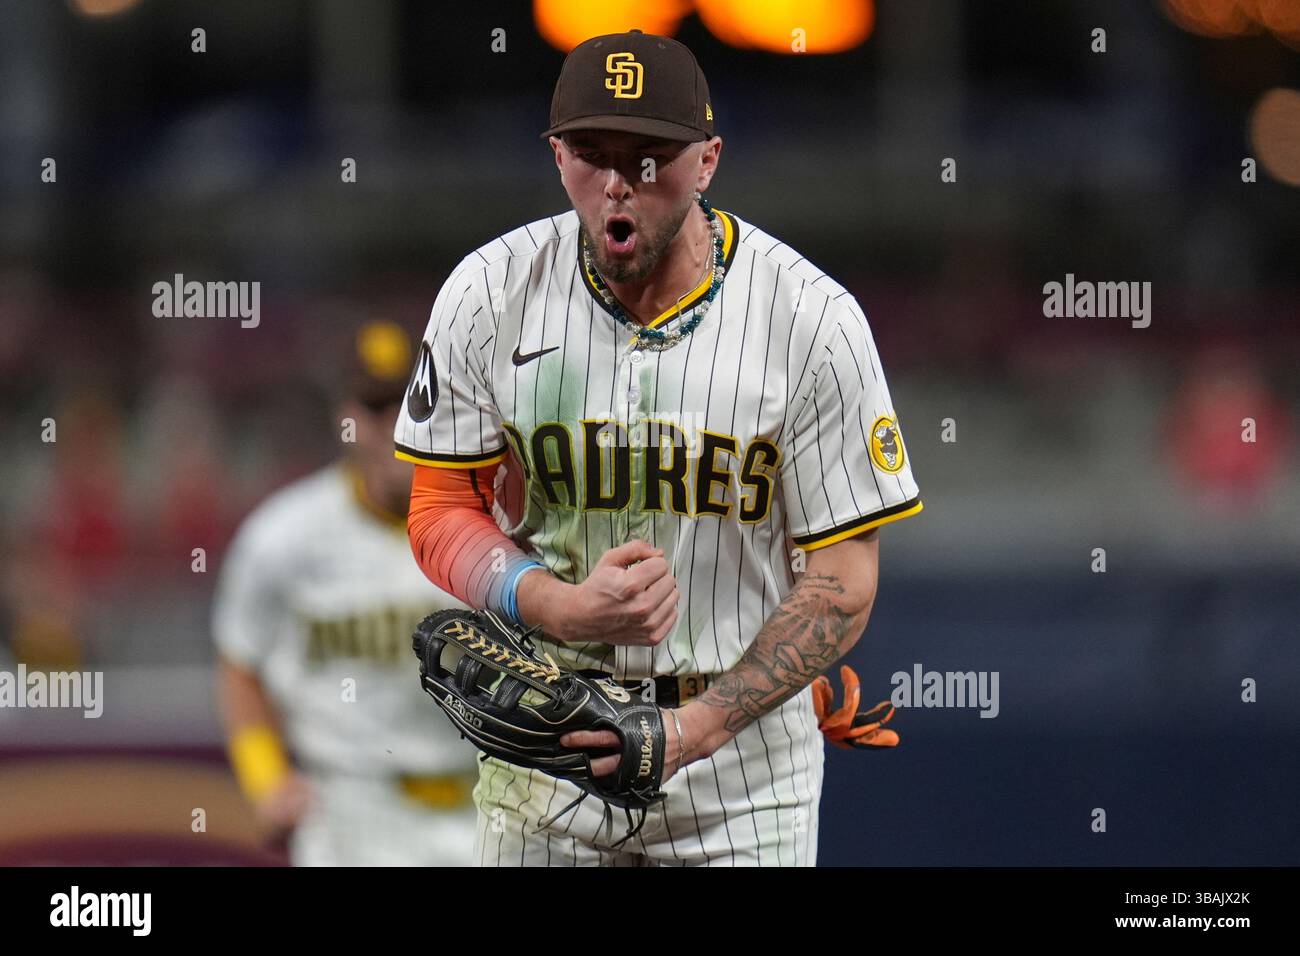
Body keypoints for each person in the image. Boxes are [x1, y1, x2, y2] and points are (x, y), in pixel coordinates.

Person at [394, 30, 922, 866]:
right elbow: (438, 508)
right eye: (590, 153)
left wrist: (695, 728)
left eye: (649, 157)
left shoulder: (811, 320)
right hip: (552, 743)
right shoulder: (487, 294)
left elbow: (845, 580)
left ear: (707, 160)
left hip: (744, 767)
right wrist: (549, 602)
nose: (617, 183)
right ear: (556, 154)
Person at [214, 321, 478, 866]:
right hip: (353, 808)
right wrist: (266, 779)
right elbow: (240, 663)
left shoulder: (490, 522)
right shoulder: (284, 536)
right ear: (346, 420)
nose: (394, 427)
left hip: (485, 802)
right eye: (376, 409)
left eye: (412, 405)